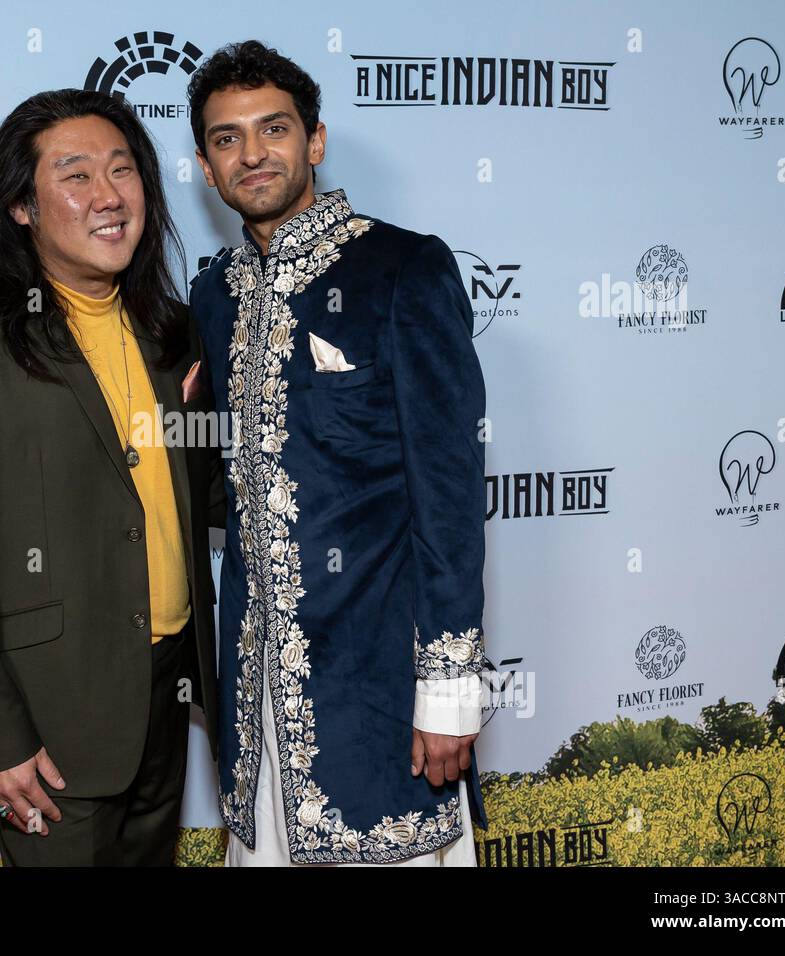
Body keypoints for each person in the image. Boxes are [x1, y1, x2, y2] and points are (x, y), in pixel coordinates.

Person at [0, 88, 219, 866]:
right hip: (49, 720)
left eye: (124, 170)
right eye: (75, 176)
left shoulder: (169, 330)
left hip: (165, 696)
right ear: (21, 207)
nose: (109, 197)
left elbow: (192, 498)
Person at [186, 41, 490, 866]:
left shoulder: (403, 268)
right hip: (255, 706)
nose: (253, 154)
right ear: (207, 166)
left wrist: (452, 690)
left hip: (377, 686)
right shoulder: (214, 296)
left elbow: (451, 494)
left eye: (273, 128)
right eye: (226, 139)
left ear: (314, 140)